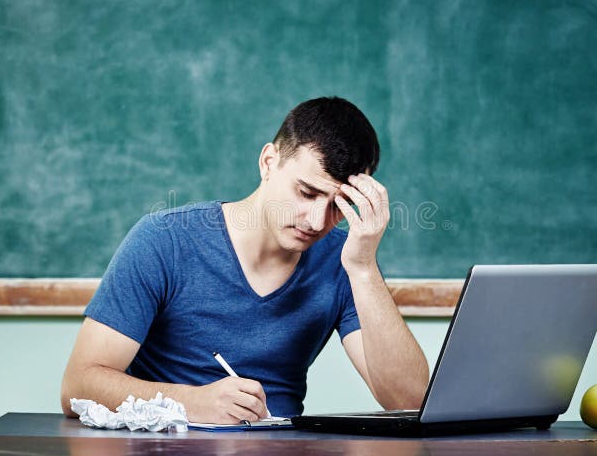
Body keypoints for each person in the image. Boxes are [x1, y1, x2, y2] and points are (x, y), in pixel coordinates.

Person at [61, 96, 429, 423]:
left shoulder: (345, 260)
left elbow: (410, 402)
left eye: (339, 206)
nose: (317, 221)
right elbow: (78, 386)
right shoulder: (164, 240)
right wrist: (191, 403)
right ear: (269, 162)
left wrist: (363, 268)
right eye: (306, 193)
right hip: (165, 452)